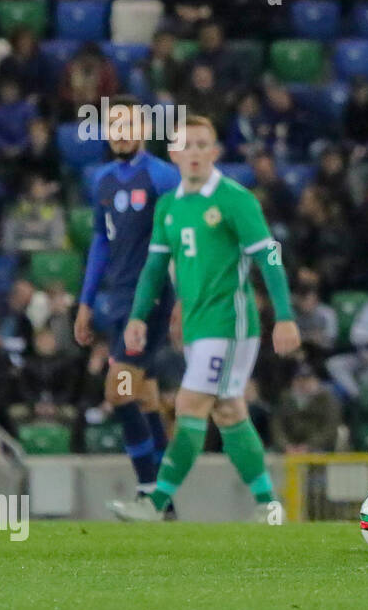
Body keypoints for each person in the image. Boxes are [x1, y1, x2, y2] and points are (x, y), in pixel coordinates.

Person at [109, 116, 300, 523]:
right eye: (187, 146)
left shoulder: (234, 199)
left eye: (203, 145)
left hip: (229, 324)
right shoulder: (169, 206)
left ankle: (155, 504)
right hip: (197, 325)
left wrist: (284, 316)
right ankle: (269, 505)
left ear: (215, 153)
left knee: (189, 404)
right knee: (228, 411)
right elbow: (155, 269)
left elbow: (268, 255)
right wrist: (138, 317)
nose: (195, 153)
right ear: (174, 154)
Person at [75, 100, 182, 514]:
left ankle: (148, 493)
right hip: (117, 300)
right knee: (145, 397)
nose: (121, 131)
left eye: (129, 124)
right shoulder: (101, 179)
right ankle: (165, 502)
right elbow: (101, 243)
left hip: (150, 300)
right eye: (114, 124)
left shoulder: (162, 177)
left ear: (143, 129)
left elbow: (179, 240)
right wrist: (85, 303)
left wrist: (180, 300)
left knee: (118, 390)